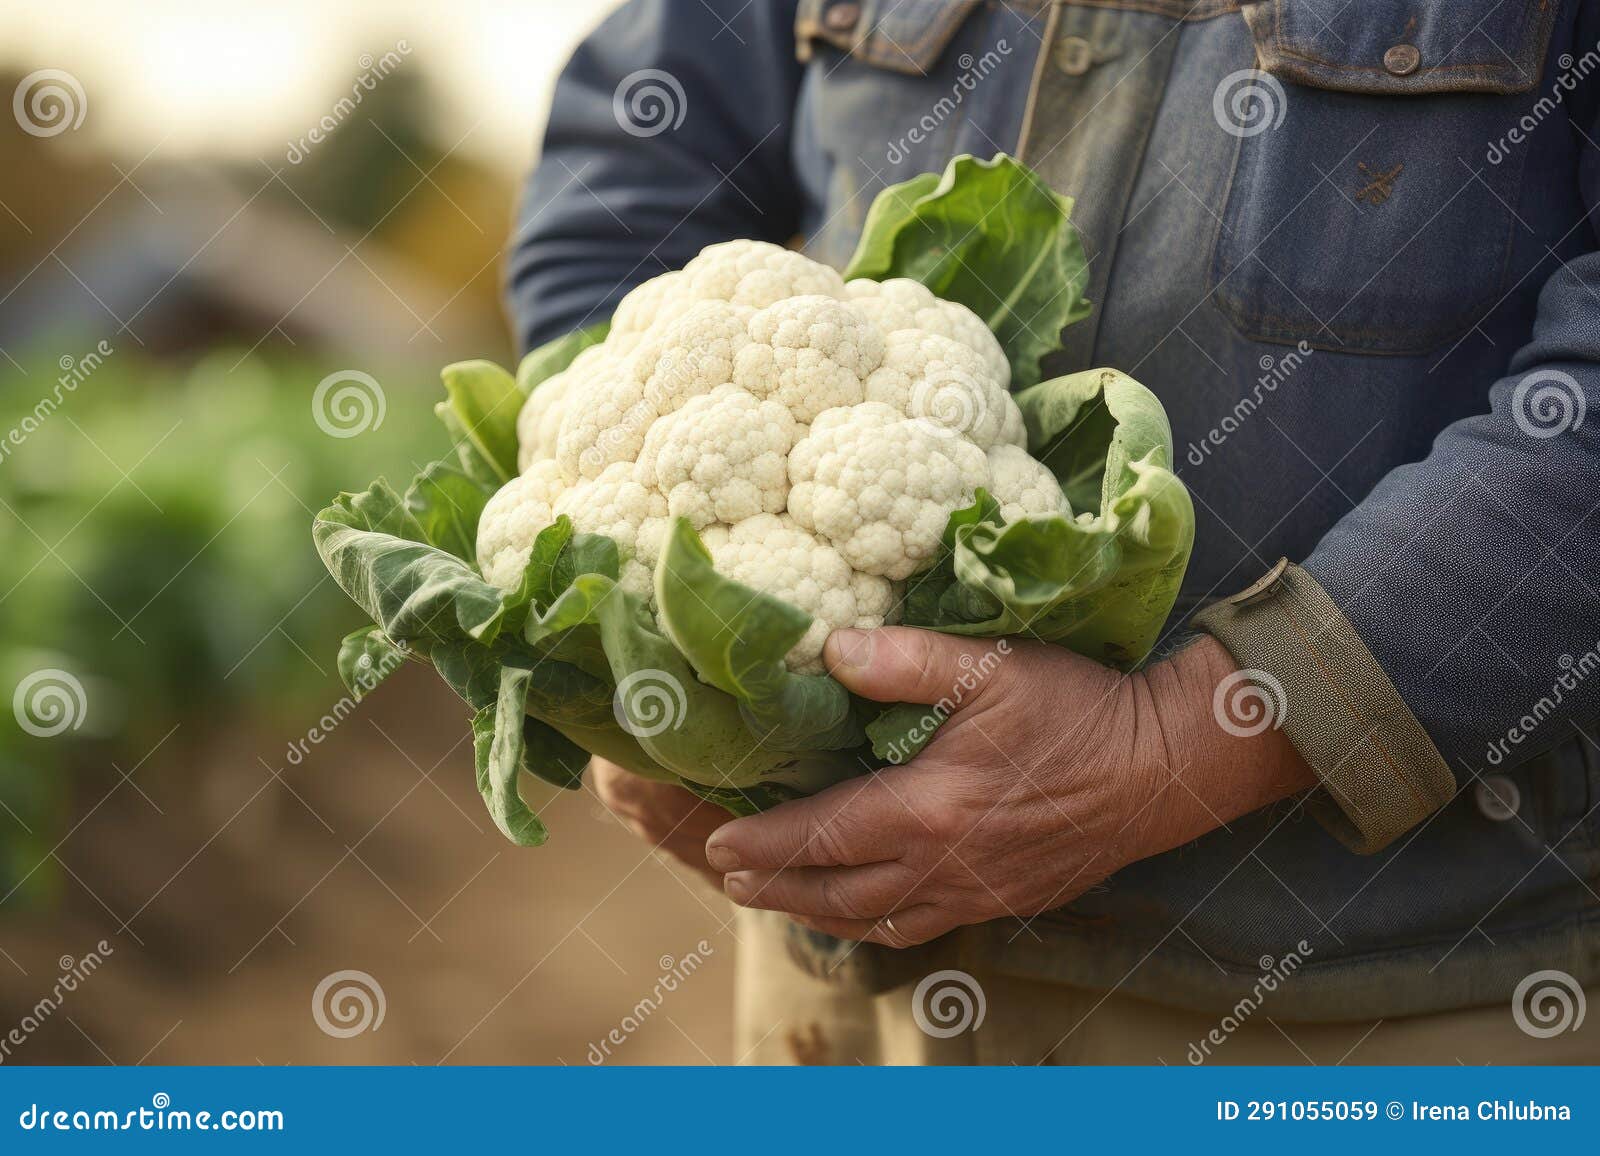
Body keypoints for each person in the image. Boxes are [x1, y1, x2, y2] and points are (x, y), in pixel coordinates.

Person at [506, 0, 1600, 1064]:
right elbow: (629, 155)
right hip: (847, 1003)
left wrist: (1185, 740)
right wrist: (640, 613)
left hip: (1373, 1006)